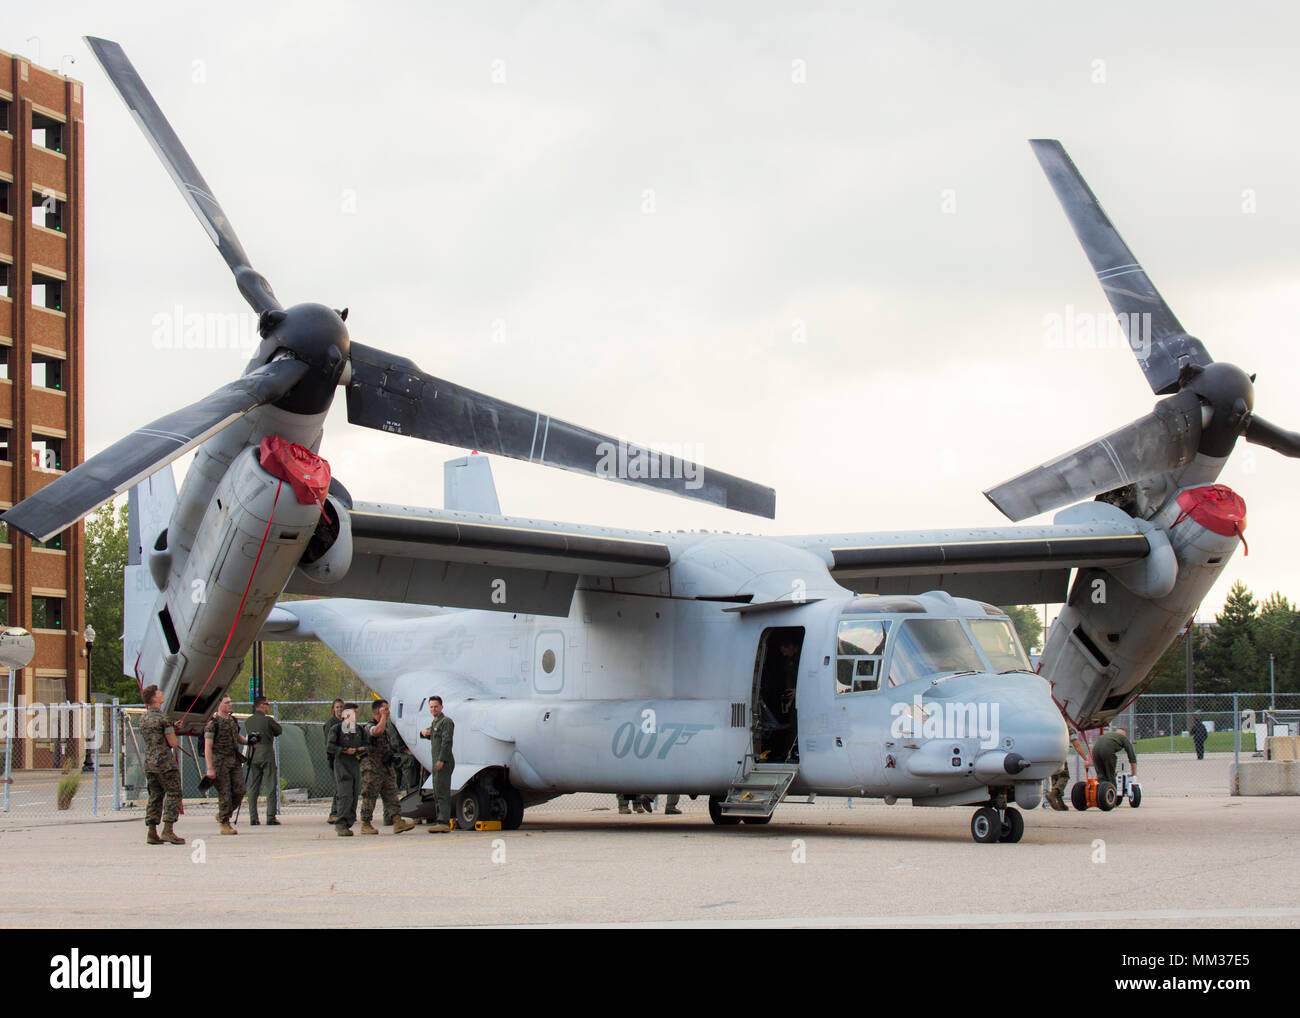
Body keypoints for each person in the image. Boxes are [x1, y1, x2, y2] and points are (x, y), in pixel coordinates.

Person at [358, 700, 415, 835]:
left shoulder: (386, 727)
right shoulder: (370, 726)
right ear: (378, 711)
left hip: (385, 767)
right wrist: (383, 717)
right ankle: (366, 823)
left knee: (391, 793)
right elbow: (376, 732)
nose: (388, 711)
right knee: (370, 795)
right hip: (372, 768)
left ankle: (397, 821)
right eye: (385, 709)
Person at [140, 684, 185, 845]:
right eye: (159, 693)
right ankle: (168, 830)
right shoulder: (163, 718)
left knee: (155, 795)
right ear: (154, 699)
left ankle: (152, 832)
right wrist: (172, 731)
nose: (161, 694)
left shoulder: (144, 718)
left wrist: (172, 727)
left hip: (150, 763)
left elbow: (155, 734)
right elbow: (172, 743)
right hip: (165, 763)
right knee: (174, 793)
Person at [204, 695, 249, 835]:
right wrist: (210, 767)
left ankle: (223, 813)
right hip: (220, 762)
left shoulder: (232, 721)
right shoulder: (213, 724)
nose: (230, 705)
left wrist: (249, 741)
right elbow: (208, 747)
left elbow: (237, 738)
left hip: (233, 760)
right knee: (225, 792)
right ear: (219, 705)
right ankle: (224, 823)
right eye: (227, 703)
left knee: (240, 790)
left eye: (230, 702)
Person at [327, 703, 366, 836]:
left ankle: (348, 822)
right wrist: (344, 750)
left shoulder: (359, 730)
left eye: (356, 713)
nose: (354, 716)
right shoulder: (337, 729)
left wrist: (362, 750)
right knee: (345, 795)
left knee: (354, 794)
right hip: (342, 765)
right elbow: (330, 747)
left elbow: (367, 746)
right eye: (352, 713)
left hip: (355, 764)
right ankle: (341, 823)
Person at [244, 695, 283, 826]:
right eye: (267, 704)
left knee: (253, 786)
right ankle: (270, 816)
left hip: (253, 753)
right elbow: (278, 730)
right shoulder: (268, 721)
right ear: (260, 706)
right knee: (270, 784)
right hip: (266, 752)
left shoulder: (248, 721)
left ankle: (253, 817)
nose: (268, 707)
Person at [420, 696, 454, 833]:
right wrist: (425, 733)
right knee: (437, 790)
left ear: (441, 707)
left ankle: (443, 821)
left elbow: (447, 742)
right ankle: (440, 819)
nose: (433, 709)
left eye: (436, 706)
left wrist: (441, 759)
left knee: (442, 791)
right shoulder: (435, 723)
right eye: (431, 707)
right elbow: (432, 735)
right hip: (436, 761)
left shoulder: (446, 722)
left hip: (443, 761)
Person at [1045, 731, 1093, 811]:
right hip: (1059, 754)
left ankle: (1060, 803)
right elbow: (1077, 745)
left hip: (1048, 754)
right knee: (1064, 776)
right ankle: (1053, 794)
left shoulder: (1051, 724)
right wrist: (1086, 759)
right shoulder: (1067, 728)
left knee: (1055, 776)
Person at [325, 698, 344, 824]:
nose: (339, 710)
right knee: (339, 787)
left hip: (345, 759)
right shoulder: (331, 723)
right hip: (335, 759)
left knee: (344, 787)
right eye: (337, 707)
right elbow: (328, 744)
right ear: (333, 709)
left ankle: (343, 812)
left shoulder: (347, 722)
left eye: (341, 707)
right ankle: (334, 813)